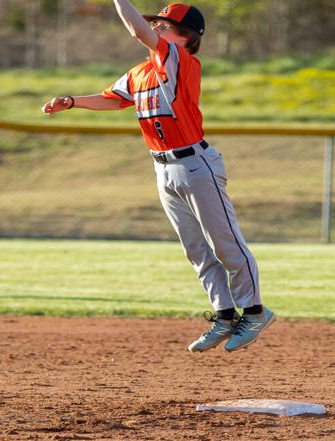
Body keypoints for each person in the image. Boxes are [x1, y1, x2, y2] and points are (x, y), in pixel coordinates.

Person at [41, 1, 275, 353]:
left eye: (164, 26)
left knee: (226, 244)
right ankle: (225, 315)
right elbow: (112, 99)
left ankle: (255, 312)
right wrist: (73, 102)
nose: (157, 29)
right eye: (157, 25)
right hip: (162, 167)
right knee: (195, 249)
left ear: (186, 36)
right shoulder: (140, 72)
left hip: (196, 164)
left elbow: (138, 32)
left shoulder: (182, 61)